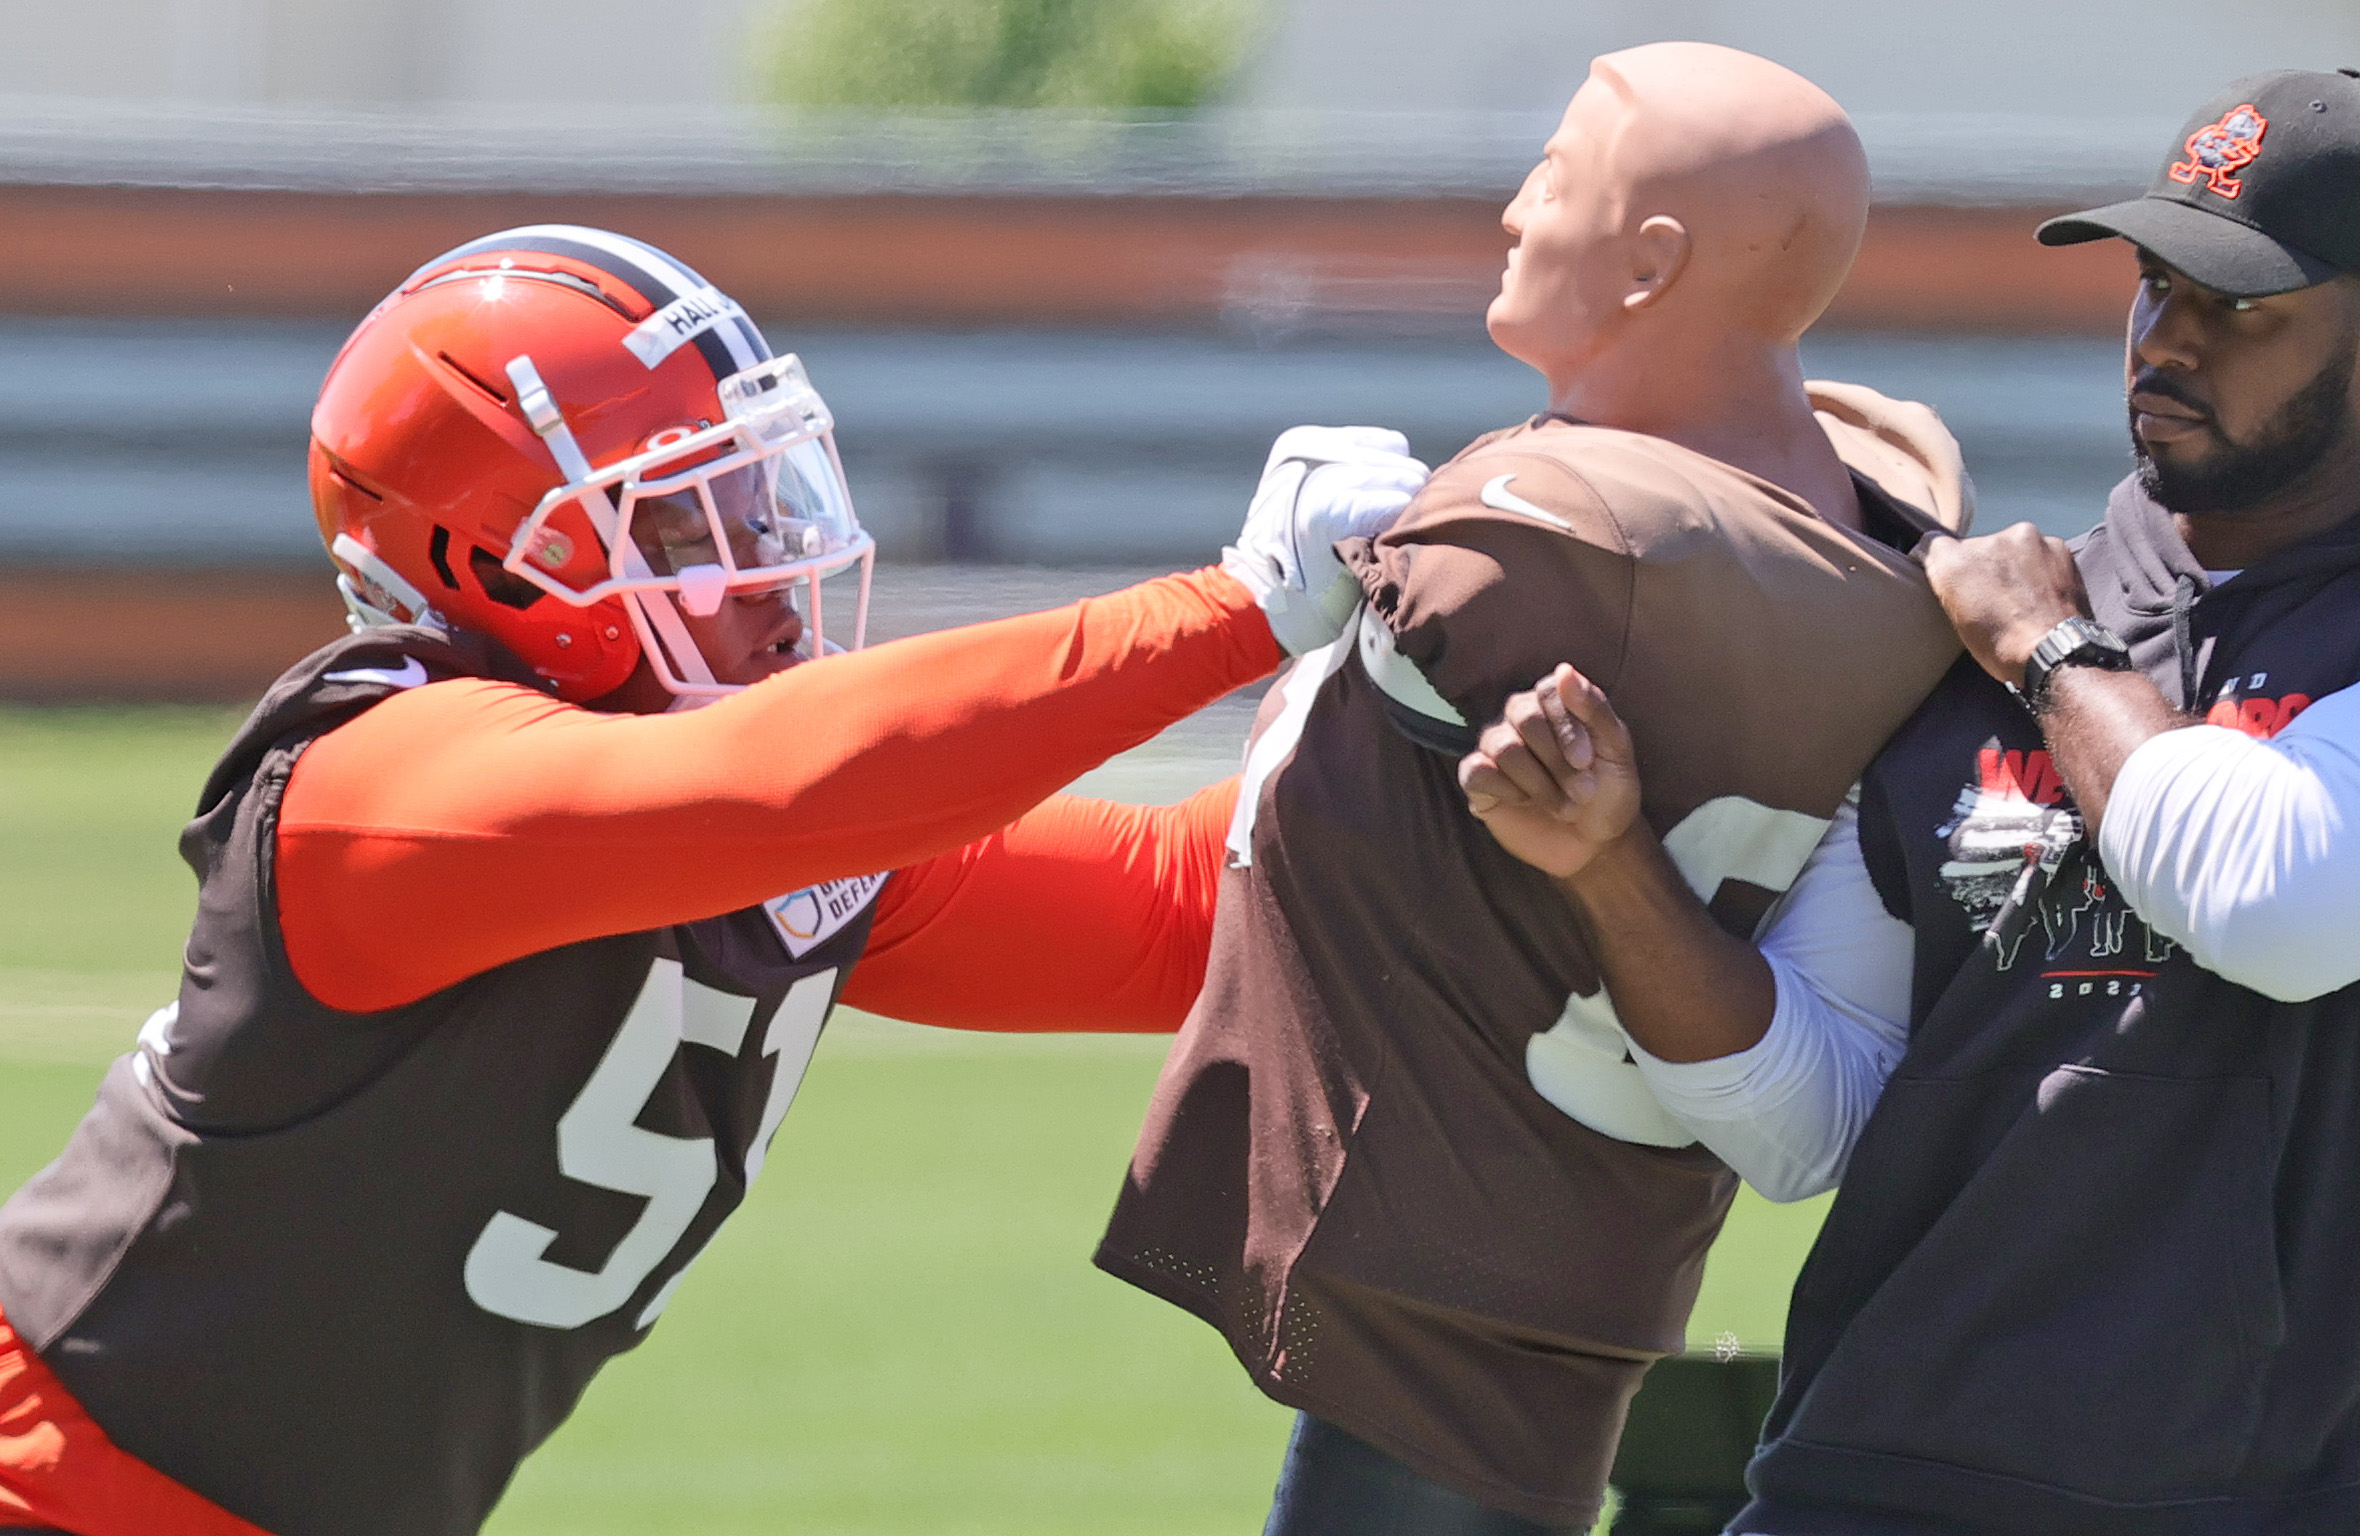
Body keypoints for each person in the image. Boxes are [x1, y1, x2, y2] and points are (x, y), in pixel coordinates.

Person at [0, 225, 1428, 1536]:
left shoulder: (735, 806)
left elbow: (1194, 909)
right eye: (687, 527)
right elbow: (784, 786)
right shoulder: (371, 786)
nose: (766, 567)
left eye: (761, 497)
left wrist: (1434, 711)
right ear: (490, 559)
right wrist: (1234, 608)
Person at [1458, 67, 2360, 1536]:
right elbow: (1808, 1116)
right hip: (1868, 1473)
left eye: (2242, 303)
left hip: (2252, 1495)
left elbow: (2276, 905)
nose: (2168, 340)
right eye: (2156, 284)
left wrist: (2045, 654)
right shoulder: (1981, 627)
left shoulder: (2020, 630)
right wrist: (1613, 871)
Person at [1092, 43, 1972, 1534]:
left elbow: (1452, 578)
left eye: (1554, 175)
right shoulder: (1869, 545)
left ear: (1651, 263)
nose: (1512, 211)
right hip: (1571, 1248)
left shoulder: (1539, 542)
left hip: (1440, 1237)